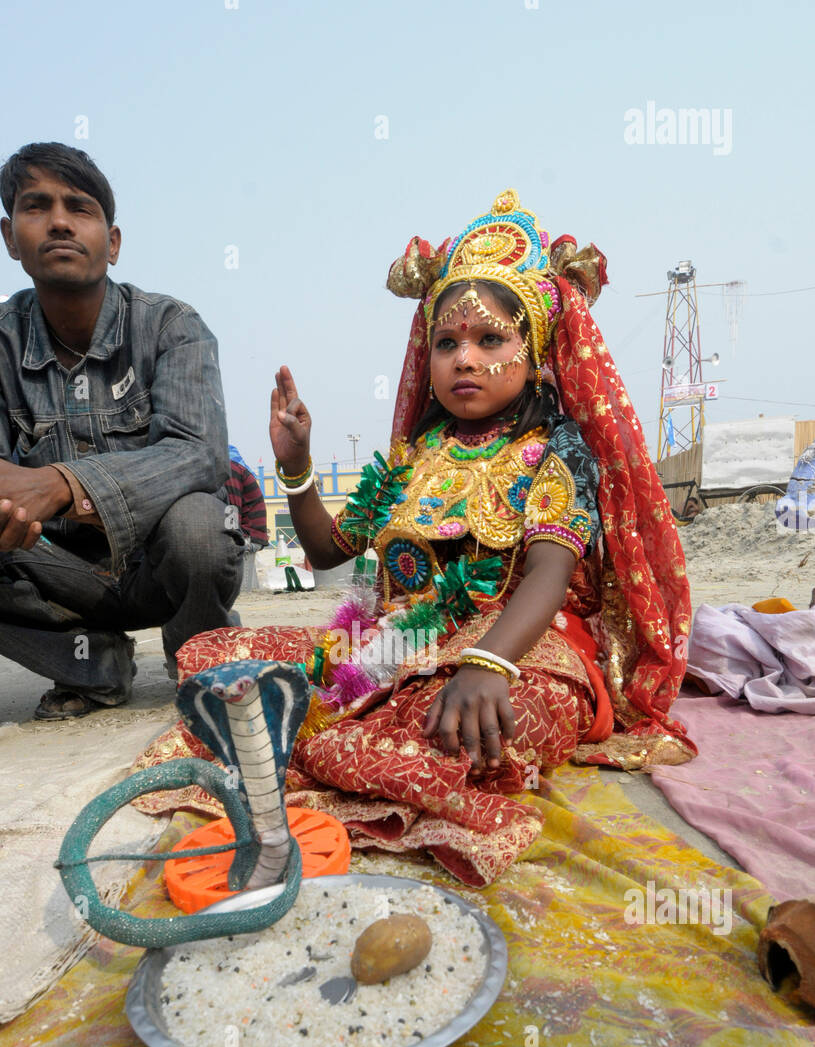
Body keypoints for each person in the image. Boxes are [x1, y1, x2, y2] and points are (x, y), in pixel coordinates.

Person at [132, 190, 695, 885]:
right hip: (394, 642)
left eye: (490, 340)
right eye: (448, 342)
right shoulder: (415, 454)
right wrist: (295, 465)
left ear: (535, 352)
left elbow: (549, 576)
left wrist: (487, 665)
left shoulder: (557, 448)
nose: (465, 358)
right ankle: (348, 738)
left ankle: (323, 745)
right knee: (210, 654)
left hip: (523, 649)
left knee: (488, 722)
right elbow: (326, 552)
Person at [0, 142, 242, 720]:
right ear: (11, 237)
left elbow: (197, 455)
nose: (60, 221)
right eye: (38, 207)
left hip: (157, 569)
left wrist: (59, 485)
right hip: (46, 570)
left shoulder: (170, 325)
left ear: (112, 242)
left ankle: (199, 657)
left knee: (201, 525)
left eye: (79, 207)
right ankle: (91, 664)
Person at [225, 445, 269, 589]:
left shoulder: (230, 470)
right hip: (250, 534)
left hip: (246, 537)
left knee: (240, 594)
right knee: (251, 592)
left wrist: (228, 540)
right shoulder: (235, 468)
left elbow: (232, 508)